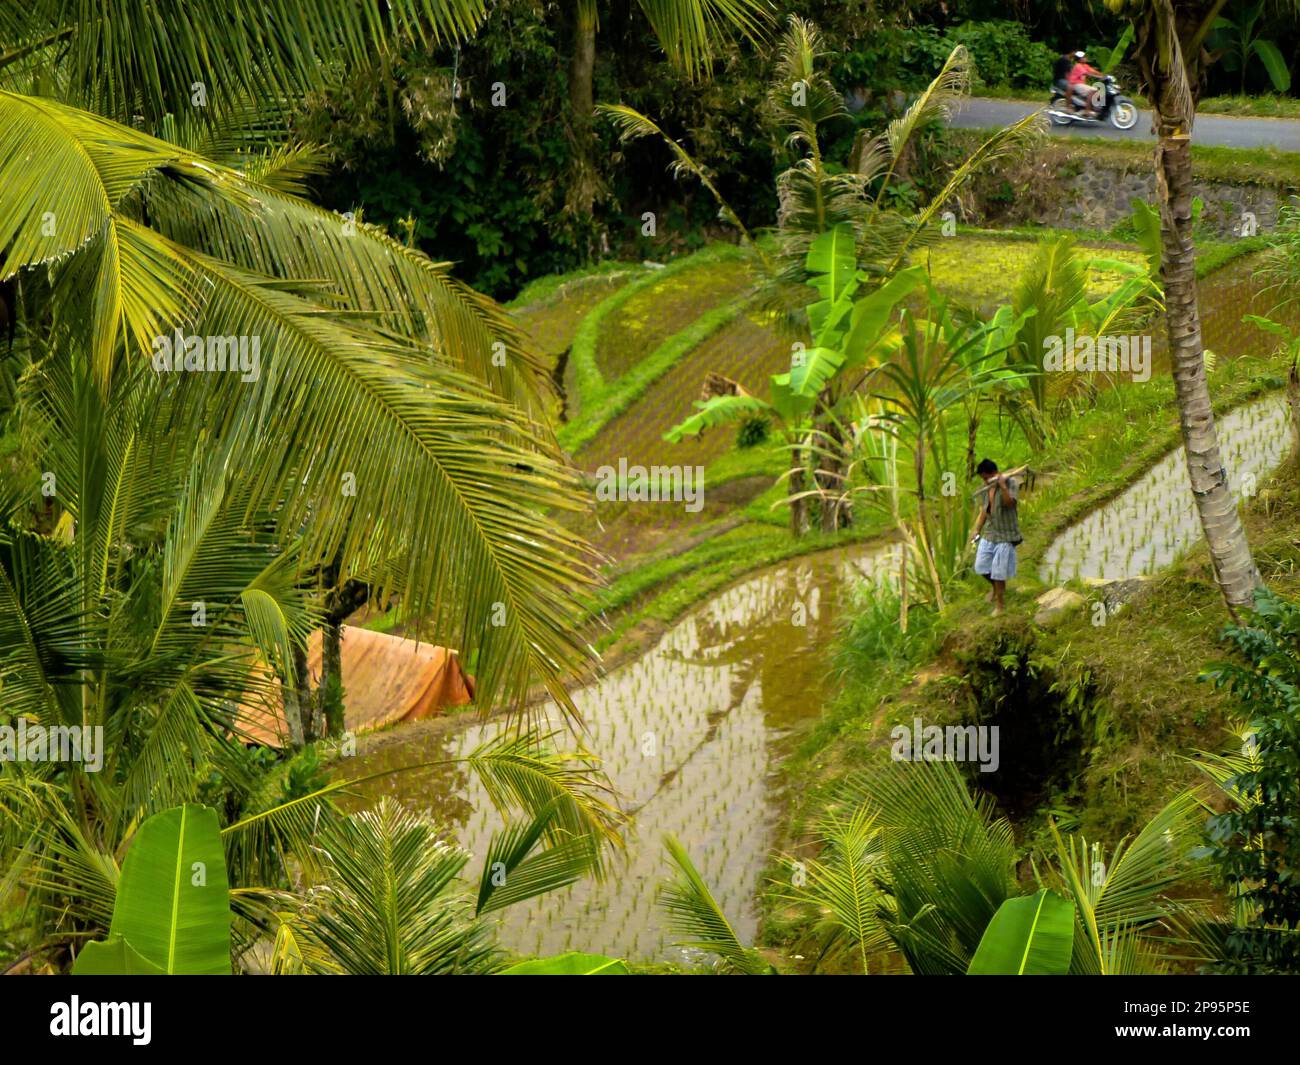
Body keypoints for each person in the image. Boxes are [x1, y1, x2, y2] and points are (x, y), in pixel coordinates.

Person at [971, 458, 1021, 616]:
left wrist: (1003, 486)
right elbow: (984, 511)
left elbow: (1010, 504)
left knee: (998, 571)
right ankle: (996, 588)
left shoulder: (1011, 483)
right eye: (983, 479)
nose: (985, 482)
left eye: (986, 478)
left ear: (994, 474)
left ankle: (1000, 604)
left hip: (1006, 533)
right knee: (981, 566)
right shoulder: (987, 488)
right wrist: (977, 529)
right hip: (991, 532)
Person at [1067, 50, 1102, 115]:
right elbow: (1087, 73)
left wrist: (1103, 75)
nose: (1086, 58)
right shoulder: (1078, 66)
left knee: (1097, 92)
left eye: (1085, 56)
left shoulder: (1085, 65)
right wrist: (1098, 77)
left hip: (1080, 84)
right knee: (1093, 90)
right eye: (1084, 57)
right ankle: (1087, 110)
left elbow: (1093, 71)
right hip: (1075, 84)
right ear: (1079, 59)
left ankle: (1094, 108)